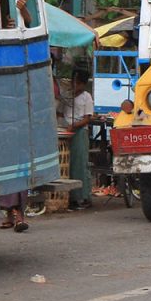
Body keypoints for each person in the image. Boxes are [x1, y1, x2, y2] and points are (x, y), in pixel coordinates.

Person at [61, 72, 96, 209]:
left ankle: (83, 196)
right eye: (73, 83)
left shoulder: (86, 97)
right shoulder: (68, 96)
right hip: (67, 130)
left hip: (79, 131)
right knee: (68, 164)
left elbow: (88, 118)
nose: (75, 86)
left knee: (79, 163)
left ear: (83, 84)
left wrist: (74, 125)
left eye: (77, 83)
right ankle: (71, 197)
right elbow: (62, 112)